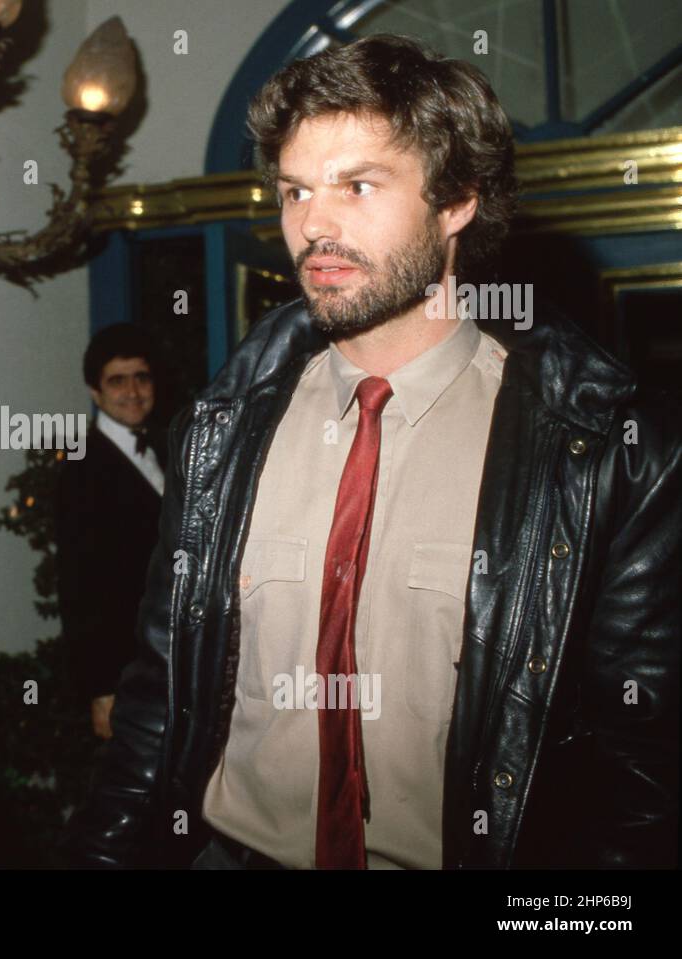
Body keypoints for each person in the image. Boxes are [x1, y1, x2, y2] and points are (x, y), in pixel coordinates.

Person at [61, 34, 679, 869]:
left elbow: (639, 772)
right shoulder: (222, 428)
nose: (312, 223)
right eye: (294, 191)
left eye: (357, 184)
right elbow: (156, 702)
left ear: (456, 199)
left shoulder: (604, 450)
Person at [55, 324, 166, 740]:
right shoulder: (82, 471)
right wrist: (101, 688)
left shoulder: (166, 448)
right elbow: (78, 588)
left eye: (142, 377)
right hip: (124, 667)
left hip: (172, 656)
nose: (133, 392)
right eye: (117, 381)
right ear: (95, 392)